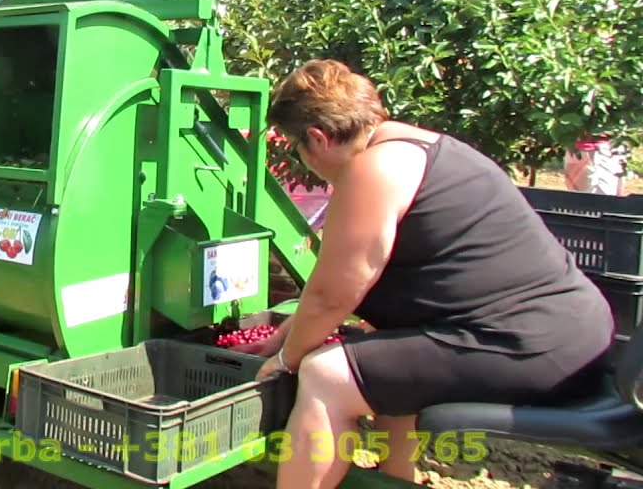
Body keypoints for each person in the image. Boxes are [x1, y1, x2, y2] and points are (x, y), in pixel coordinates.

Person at [245, 59, 613, 489]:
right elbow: (341, 287)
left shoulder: (374, 169)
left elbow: (333, 295)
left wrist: (286, 360)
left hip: (530, 345)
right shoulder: (422, 146)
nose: (303, 161)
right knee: (379, 358)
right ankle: (394, 478)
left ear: (317, 138)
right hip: (569, 333)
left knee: (327, 374)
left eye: (297, 148)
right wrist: (282, 336)